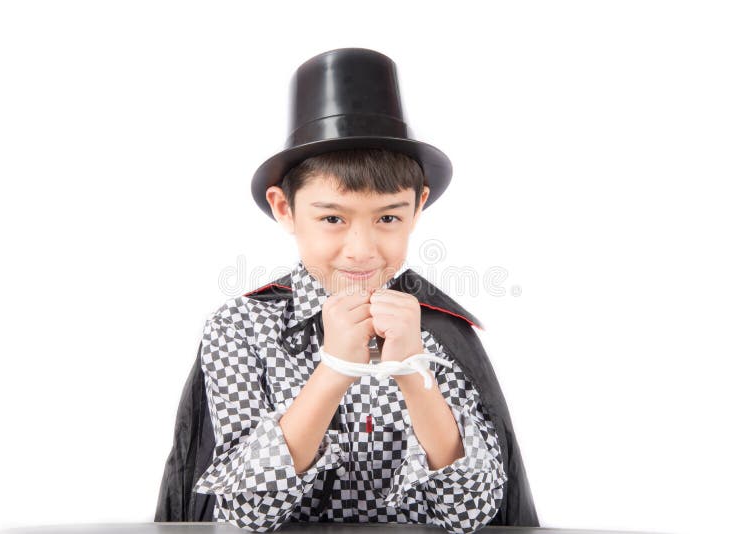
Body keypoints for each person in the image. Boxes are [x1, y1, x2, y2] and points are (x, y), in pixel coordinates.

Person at [154, 47, 539, 533]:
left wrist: (415, 371)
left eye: (388, 218)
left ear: (417, 207)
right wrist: (333, 370)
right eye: (332, 218)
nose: (361, 249)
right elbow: (247, 513)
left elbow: (471, 514)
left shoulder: (440, 329)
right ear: (284, 208)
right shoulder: (240, 327)